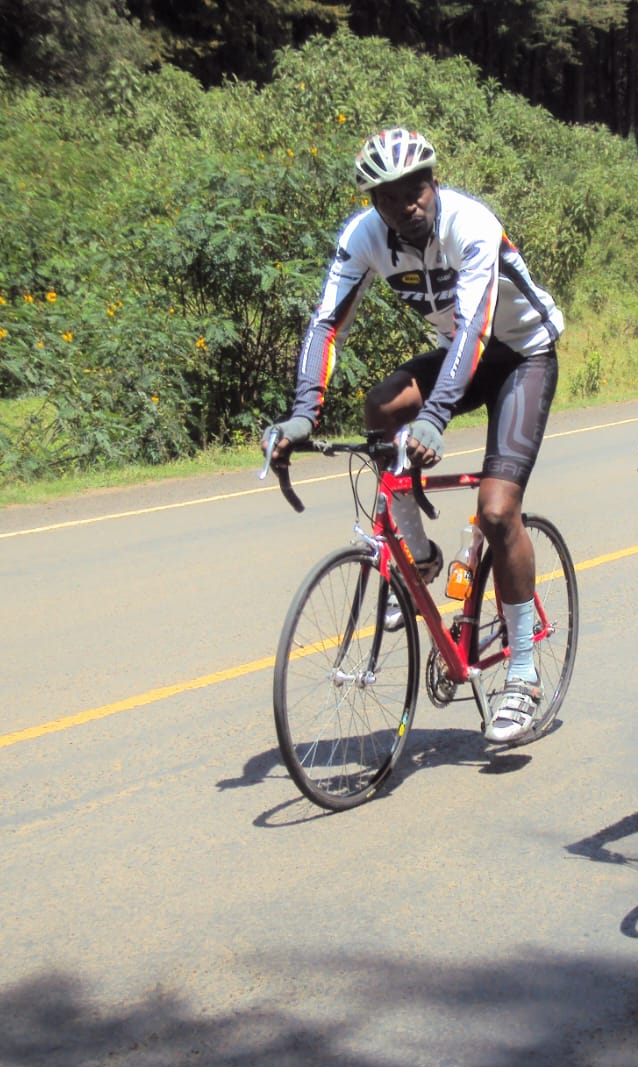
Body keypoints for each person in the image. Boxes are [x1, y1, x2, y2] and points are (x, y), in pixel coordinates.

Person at [265, 128, 565, 744]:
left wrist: (435, 417)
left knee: (497, 510)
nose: (408, 204)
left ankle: (523, 675)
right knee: (380, 408)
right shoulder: (364, 237)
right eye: (390, 197)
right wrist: (303, 413)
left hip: (522, 354)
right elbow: (327, 324)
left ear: (434, 182)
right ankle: (419, 555)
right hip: (462, 356)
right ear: (374, 204)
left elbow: (477, 329)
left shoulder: (470, 224)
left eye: (417, 188)